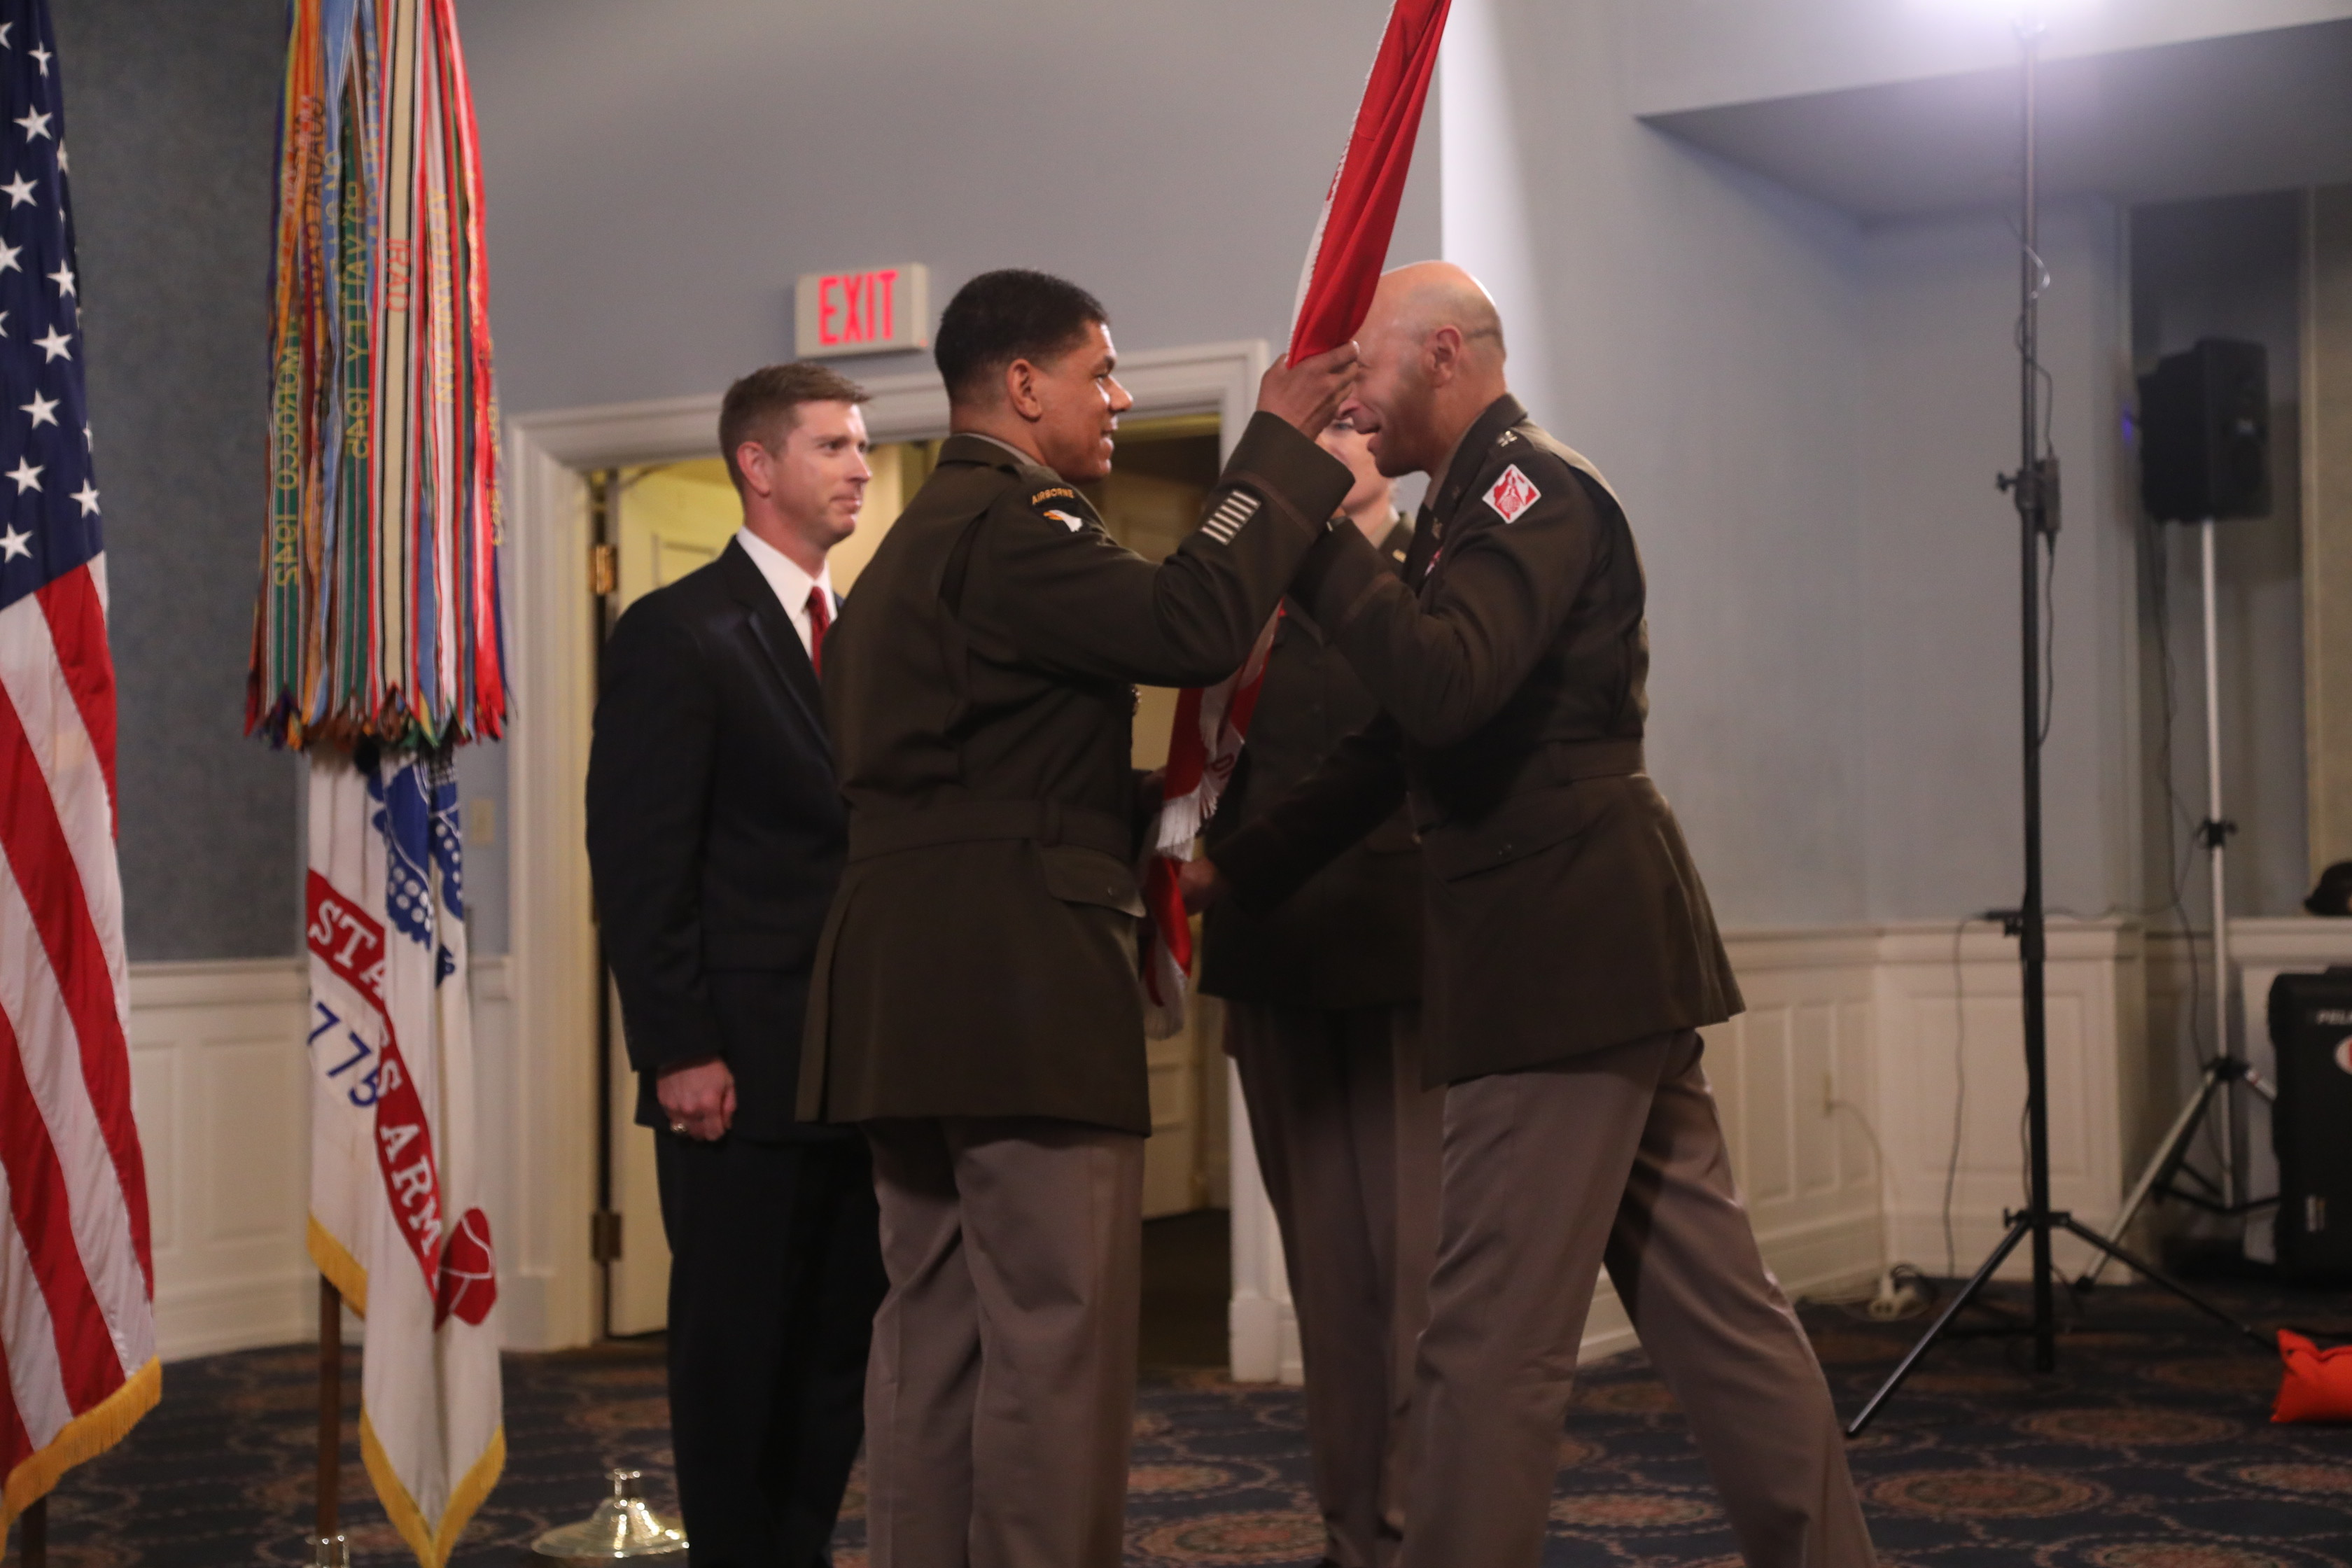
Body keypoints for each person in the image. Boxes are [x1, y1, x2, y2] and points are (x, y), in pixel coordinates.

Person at [1190, 262, 1877, 1568]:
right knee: (1718, 1321)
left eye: (1366, 366)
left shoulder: (1529, 490)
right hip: (1591, 949)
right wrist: (1238, 870)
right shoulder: (1466, 508)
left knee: (1484, 1341)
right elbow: (1394, 747)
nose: (1352, 397)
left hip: (1557, 955)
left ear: (1444, 354)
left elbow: (1445, 688)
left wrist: (1322, 542)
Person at [797, 267, 1358, 1568]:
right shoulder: (1017, 522)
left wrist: (1159, 809)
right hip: (1018, 985)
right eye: (1100, 374)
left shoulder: (903, 552)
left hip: (897, 987)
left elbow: (977, 773)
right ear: (1023, 385)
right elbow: (1192, 623)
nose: (1119, 399)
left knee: (932, 1335)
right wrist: (1275, 450)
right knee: (1057, 1337)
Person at [586, 362, 888, 1568]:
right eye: (833, 445)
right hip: (736, 1073)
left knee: (838, 1346)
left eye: (861, 444)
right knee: (736, 1351)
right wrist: (680, 1047)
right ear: (757, 466)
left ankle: (796, 1550)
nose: (861, 465)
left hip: (860, 1066)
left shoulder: (860, 633)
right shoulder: (678, 631)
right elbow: (640, 859)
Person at [1195, 414, 1438, 1568]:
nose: (1340, 440)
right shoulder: (1245, 591)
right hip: (1274, 956)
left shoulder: (1441, 568)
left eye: (1356, 421)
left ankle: (1424, 1526)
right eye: (1322, 421)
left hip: (1408, 960)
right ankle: (1355, 1533)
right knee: (1329, 1284)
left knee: (1418, 1279)